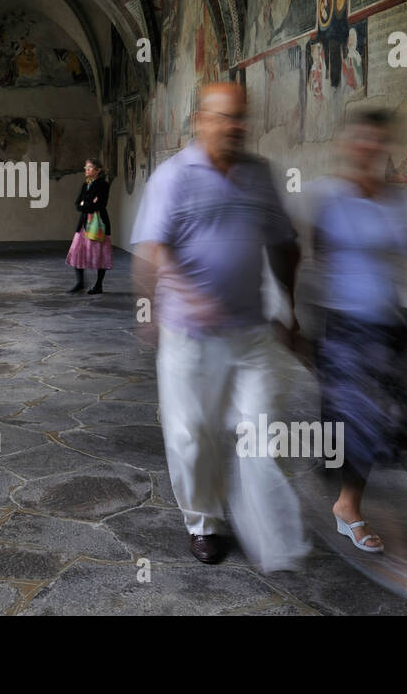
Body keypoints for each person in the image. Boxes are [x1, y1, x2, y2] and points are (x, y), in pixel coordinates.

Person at [131, 82, 310, 572]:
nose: (234, 127)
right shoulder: (173, 177)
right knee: (193, 436)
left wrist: (290, 311)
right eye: (224, 117)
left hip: (251, 331)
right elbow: (153, 250)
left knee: (263, 429)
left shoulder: (259, 175)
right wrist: (173, 300)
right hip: (190, 333)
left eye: (241, 118)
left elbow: (284, 243)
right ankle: (204, 523)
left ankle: (267, 528)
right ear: (200, 120)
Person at [308, 109, 407, 557]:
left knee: (382, 422)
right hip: (344, 328)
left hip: (389, 326)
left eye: (378, 140)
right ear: (347, 143)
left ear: (385, 146)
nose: (369, 147)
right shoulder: (326, 197)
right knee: (356, 417)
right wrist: (297, 321)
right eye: (361, 139)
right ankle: (348, 506)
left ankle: (346, 501)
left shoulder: (402, 203)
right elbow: (311, 257)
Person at [66, 158, 112, 294]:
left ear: (98, 170)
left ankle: (98, 285)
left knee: (101, 254)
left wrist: (85, 204)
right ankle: (80, 282)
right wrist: (87, 204)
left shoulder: (103, 184)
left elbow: (100, 204)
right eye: (85, 168)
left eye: (89, 168)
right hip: (84, 223)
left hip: (99, 224)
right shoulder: (85, 184)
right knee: (77, 251)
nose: (86, 170)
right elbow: (77, 204)